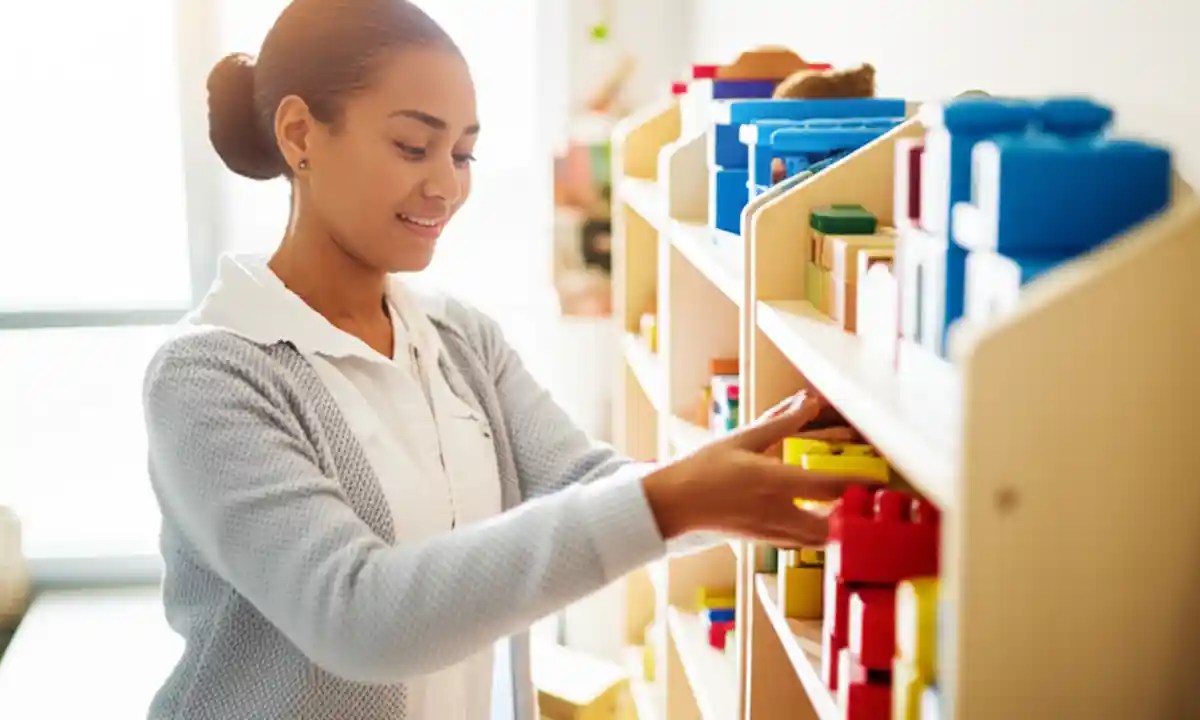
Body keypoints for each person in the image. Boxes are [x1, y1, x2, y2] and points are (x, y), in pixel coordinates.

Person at [142, 1, 871, 718]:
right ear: (300, 133)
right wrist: (672, 500)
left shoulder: (460, 339)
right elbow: (355, 615)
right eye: (412, 146)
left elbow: (587, 486)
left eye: (462, 153)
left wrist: (753, 476)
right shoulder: (209, 377)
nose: (447, 185)